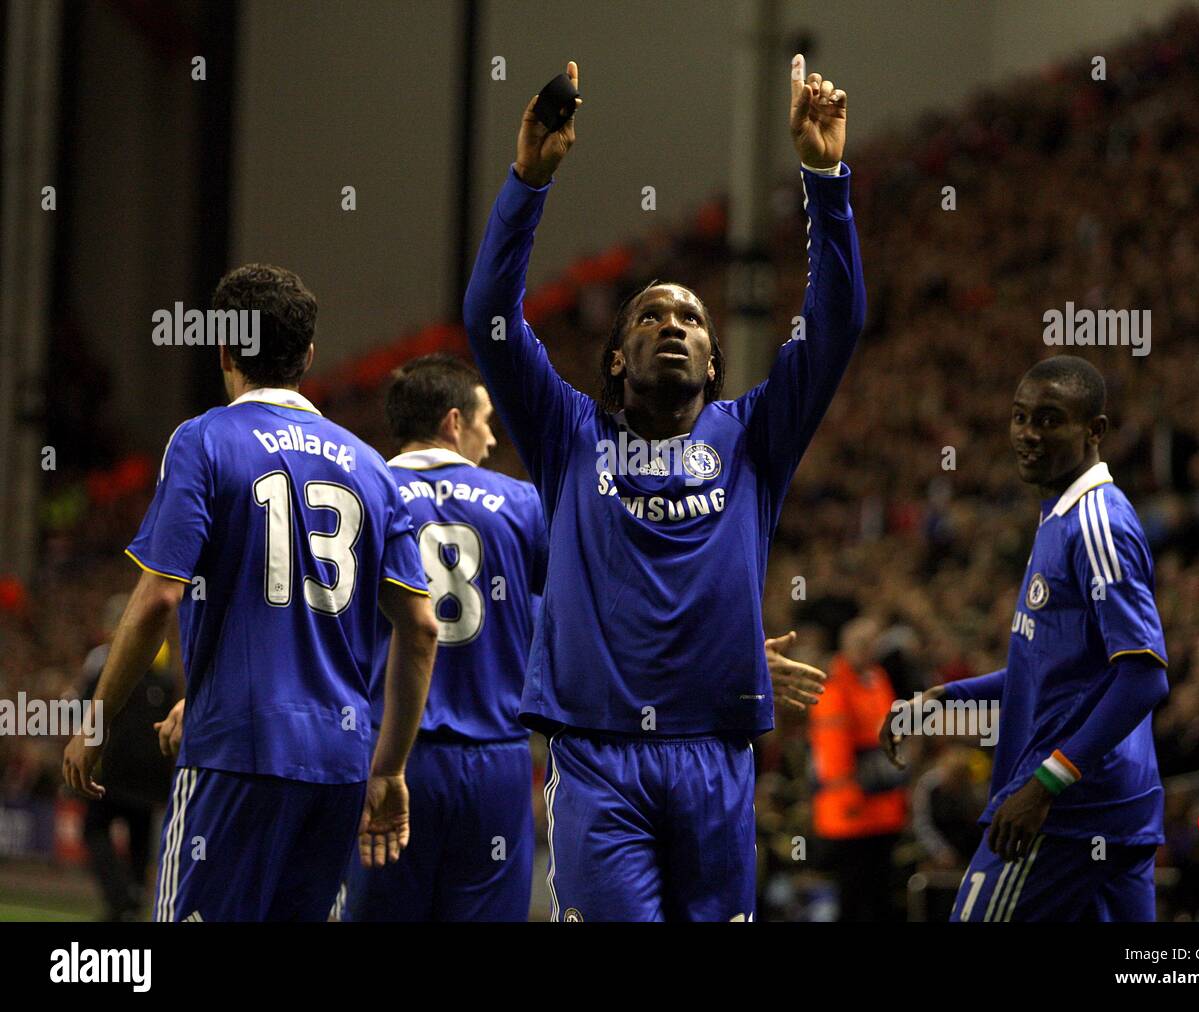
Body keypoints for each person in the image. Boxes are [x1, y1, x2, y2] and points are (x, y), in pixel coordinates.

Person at [464, 56, 865, 920]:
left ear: (715, 362)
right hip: (599, 760)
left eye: (690, 319)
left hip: (716, 757)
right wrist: (527, 183)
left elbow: (836, 325)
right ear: (618, 357)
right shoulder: (569, 435)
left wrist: (825, 178)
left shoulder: (755, 436)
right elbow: (489, 321)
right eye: (650, 316)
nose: (672, 327)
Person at [63, 264, 438, 921]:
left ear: (226, 352)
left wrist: (95, 722)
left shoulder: (205, 441)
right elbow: (422, 627)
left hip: (236, 753)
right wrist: (392, 767)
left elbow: (157, 598)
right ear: (309, 355)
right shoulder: (372, 468)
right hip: (339, 766)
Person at [883, 355, 1169, 922]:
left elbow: (1143, 677)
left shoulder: (1097, 523)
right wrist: (946, 701)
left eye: (1049, 419)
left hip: (1065, 812)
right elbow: (1064, 671)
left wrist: (1044, 785)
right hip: (1110, 812)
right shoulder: (1057, 516)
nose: (1028, 434)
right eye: (1020, 418)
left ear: (1095, 432)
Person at [342, 353, 546, 921]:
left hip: (384, 753)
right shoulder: (522, 503)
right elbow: (585, 606)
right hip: (494, 763)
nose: (490, 441)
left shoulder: (355, 496)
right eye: (485, 423)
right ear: (454, 423)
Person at [79, 594, 179, 921]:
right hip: (154, 773)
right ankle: (134, 900)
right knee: (139, 833)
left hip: (117, 766)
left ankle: (120, 897)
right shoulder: (165, 678)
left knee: (93, 828)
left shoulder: (108, 665)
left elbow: (85, 709)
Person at [807, 616, 906, 921]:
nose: (872, 650)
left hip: (883, 810)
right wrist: (852, 803)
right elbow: (833, 754)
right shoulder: (834, 686)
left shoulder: (876, 678)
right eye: (865, 644)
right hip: (851, 815)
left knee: (880, 898)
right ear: (850, 646)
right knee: (853, 899)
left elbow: (890, 733)